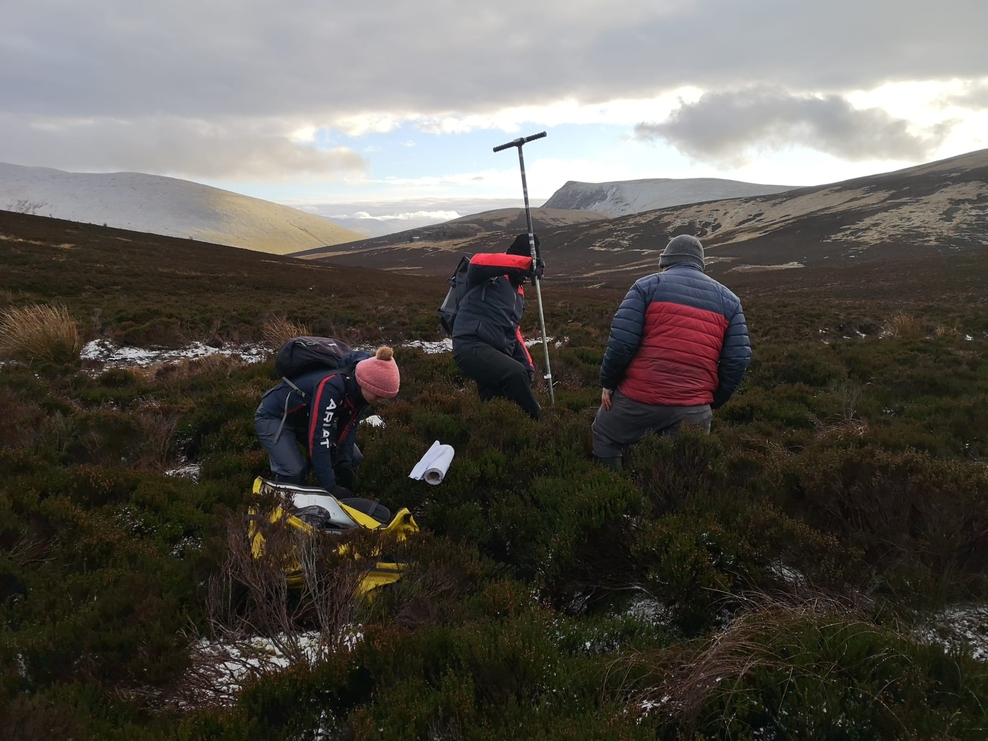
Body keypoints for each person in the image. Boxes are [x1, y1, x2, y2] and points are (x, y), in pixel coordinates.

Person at [592, 235, 751, 470]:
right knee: (684, 461)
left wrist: (609, 382)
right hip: (694, 407)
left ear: (665, 261)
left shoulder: (646, 286)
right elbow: (738, 360)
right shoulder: (730, 301)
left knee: (605, 435)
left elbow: (622, 343)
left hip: (639, 397)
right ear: (700, 263)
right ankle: (673, 503)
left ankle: (614, 494)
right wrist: (710, 402)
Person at [254, 346, 400, 497]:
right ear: (366, 383)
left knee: (353, 458)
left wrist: (344, 463)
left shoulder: (360, 393)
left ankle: (317, 482)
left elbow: (349, 428)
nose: (380, 400)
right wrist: (329, 486)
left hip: (306, 418)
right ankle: (282, 506)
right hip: (275, 416)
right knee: (294, 471)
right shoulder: (332, 386)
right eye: (378, 395)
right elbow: (320, 438)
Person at [452, 233, 543, 420]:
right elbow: (477, 261)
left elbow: (515, 332)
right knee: (515, 374)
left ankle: (495, 440)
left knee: (494, 408)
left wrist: (528, 366)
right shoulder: (489, 274)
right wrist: (526, 263)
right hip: (471, 346)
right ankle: (540, 422)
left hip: (495, 353)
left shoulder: (518, 293)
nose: (526, 278)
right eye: (525, 273)